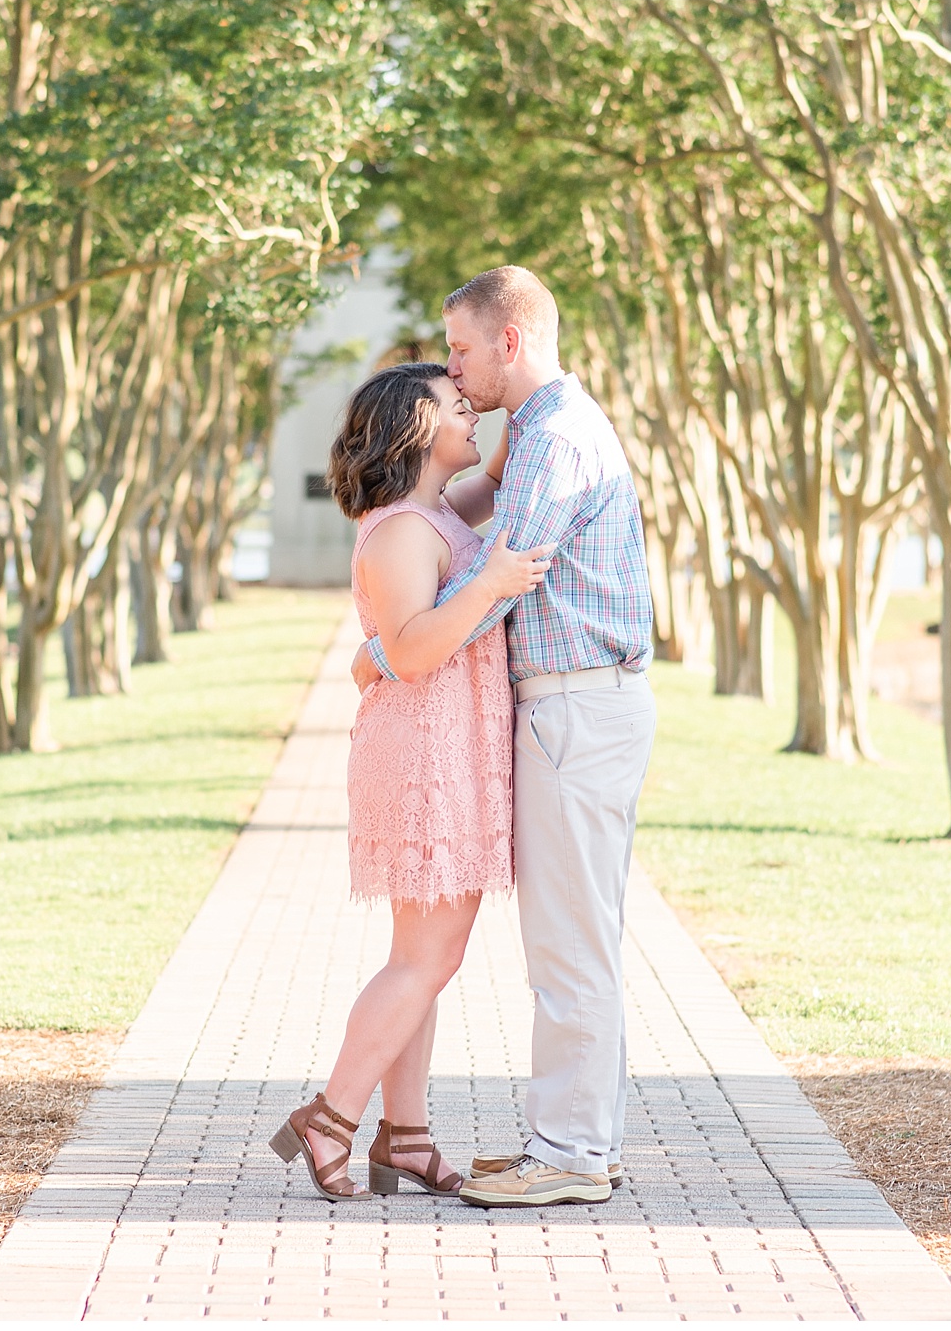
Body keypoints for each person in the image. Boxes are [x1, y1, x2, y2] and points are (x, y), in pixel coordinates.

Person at [354, 267, 656, 1208]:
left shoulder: (556, 439)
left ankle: (568, 1153)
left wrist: (384, 653)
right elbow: (464, 525)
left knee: (570, 943)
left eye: (461, 350)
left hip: (576, 703)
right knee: (573, 936)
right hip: (568, 705)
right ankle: (576, 1143)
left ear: (510, 344)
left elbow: (494, 579)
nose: (452, 365)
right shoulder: (536, 432)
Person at [270, 361, 554, 1202]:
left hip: (449, 748)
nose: (471, 414)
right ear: (415, 430)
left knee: (420, 960)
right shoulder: (399, 529)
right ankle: (332, 1118)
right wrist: (496, 584)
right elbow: (416, 649)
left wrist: (529, 400)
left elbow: (499, 476)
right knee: (428, 958)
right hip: (424, 755)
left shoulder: (433, 512)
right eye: (456, 406)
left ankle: (407, 1137)